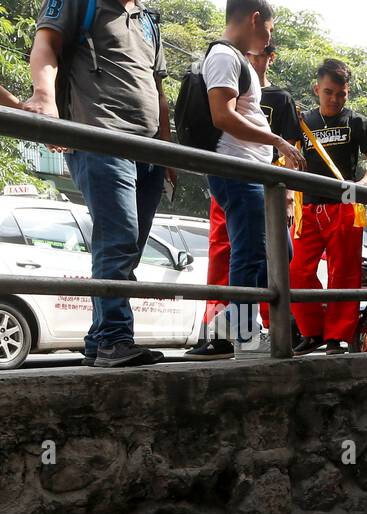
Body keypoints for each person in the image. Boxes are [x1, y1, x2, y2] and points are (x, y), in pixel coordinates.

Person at [26, 0, 173, 367]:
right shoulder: (82, 3)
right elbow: (45, 45)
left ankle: (98, 339)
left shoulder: (148, 19)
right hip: (100, 138)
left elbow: (157, 86)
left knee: (130, 247)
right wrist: (45, 98)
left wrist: (168, 149)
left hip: (148, 149)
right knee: (118, 239)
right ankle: (113, 339)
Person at [189, 2, 305, 360]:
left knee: (278, 252)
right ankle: (242, 333)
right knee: (250, 252)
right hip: (237, 169)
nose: (269, 37)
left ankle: (233, 322)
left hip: (256, 173)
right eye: (269, 28)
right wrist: (277, 141)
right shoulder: (224, 56)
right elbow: (221, 115)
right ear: (255, 20)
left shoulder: (238, 61)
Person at [290, 58, 367, 356]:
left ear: (347, 92)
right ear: (317, 88)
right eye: (329, 92)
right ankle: (313, 331)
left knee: (343, 273)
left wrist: (364, 183)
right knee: (297, 271)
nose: (334, 99)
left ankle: (336, 337)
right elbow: (288, 155)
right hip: (308, 207)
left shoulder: (356, 121)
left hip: (344, 205)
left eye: (341, 94)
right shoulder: (302, 121)